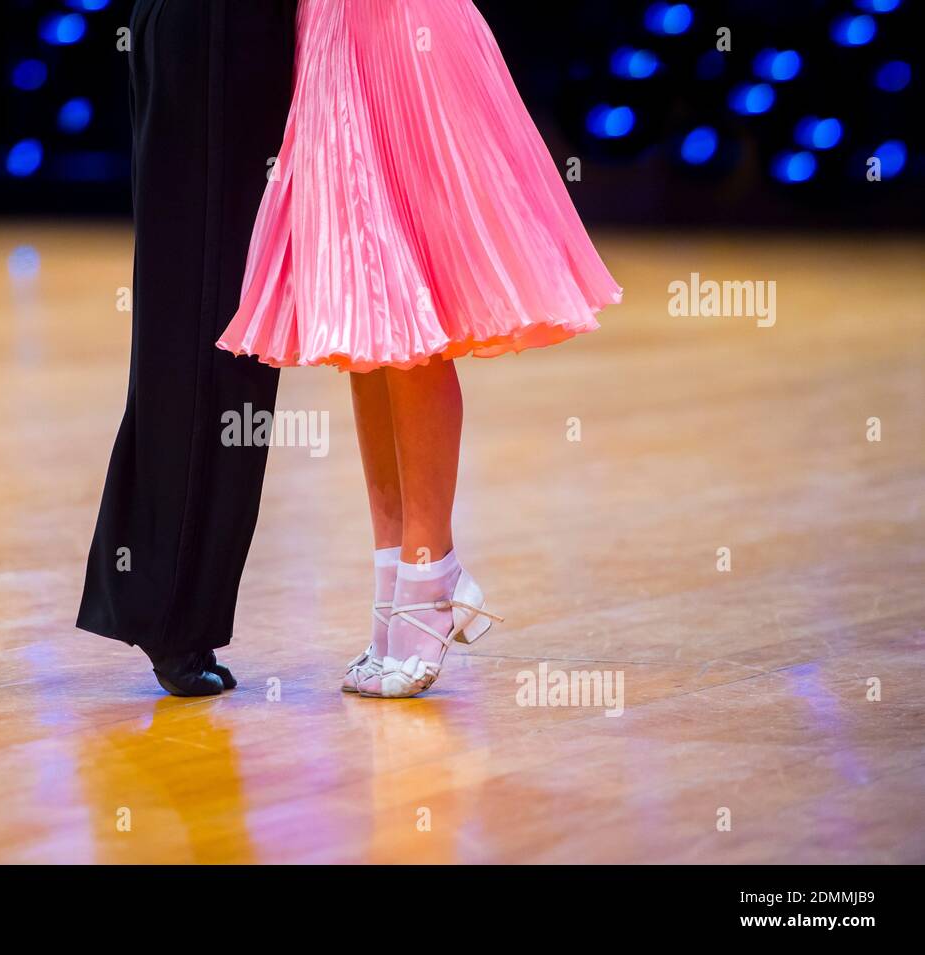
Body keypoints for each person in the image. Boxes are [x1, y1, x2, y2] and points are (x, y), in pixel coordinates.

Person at [217, 0, 622, 697]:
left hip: (402, 35)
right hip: (331, 31)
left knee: (406, 312)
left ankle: (429, 572)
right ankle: (400, 583)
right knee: (364, 324)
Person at [77, 1, 298, 696]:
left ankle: (175, 610)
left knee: (220, 321)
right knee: (212, 322)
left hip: (213, 36)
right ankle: (169, 611)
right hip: (217, 35)